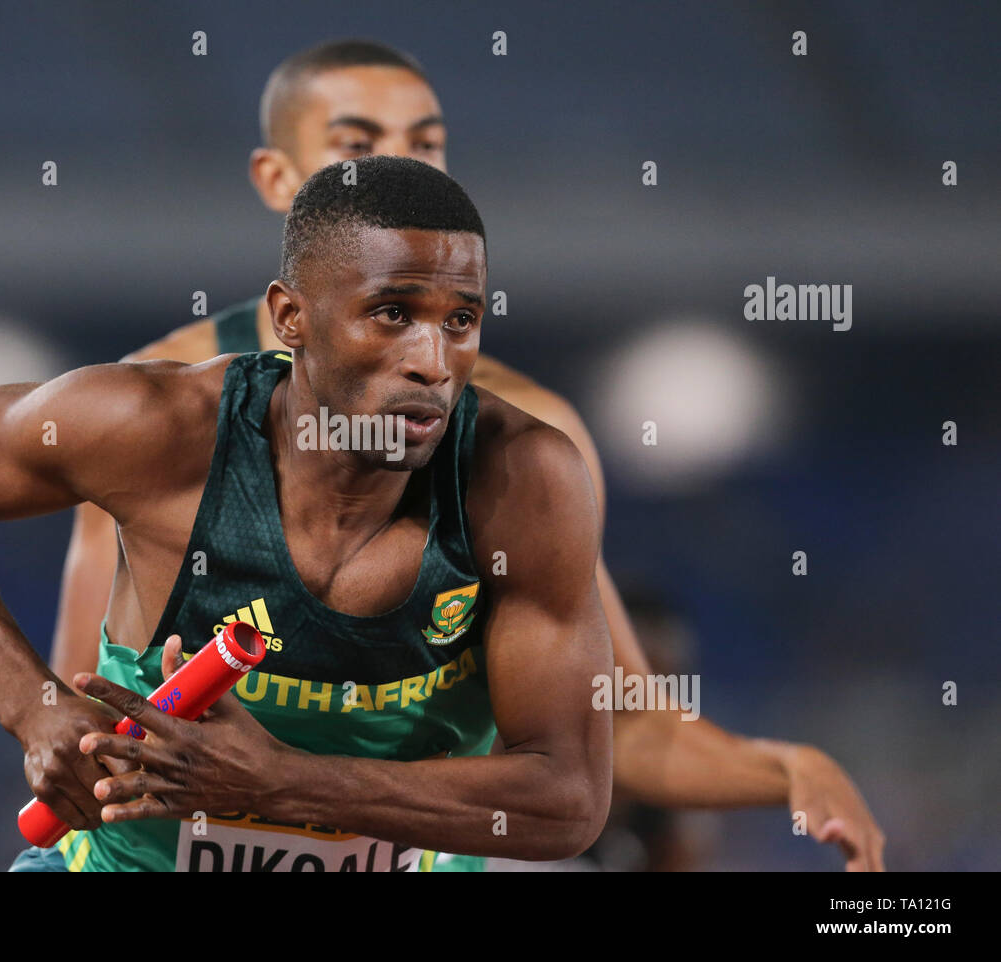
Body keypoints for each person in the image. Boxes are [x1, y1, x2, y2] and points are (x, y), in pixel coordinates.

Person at [48, 39, 886, 872]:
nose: (399, 166)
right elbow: (82, 697)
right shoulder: (160, 416)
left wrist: (780, 766)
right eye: (356, 145)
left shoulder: (523, 439)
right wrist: (45, 728)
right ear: (278, 181)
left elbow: (617, 724)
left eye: (427, 144)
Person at [0, 156, 615, 872]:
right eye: (390, 313)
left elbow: (568, 801)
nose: (432, 361)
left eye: (460, 320)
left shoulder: (521, 481)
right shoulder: (159, 432)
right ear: (290, 317)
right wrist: (31, 705)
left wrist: (285, 783)